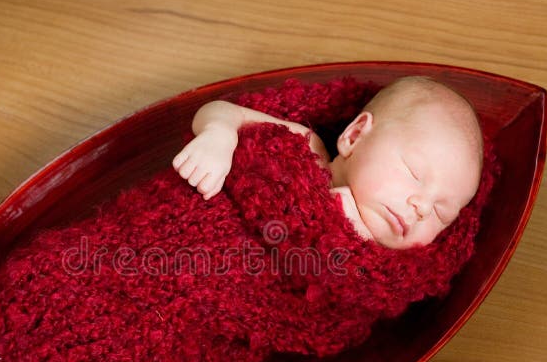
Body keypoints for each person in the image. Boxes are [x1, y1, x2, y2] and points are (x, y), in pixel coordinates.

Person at [172, 76, 483, 249]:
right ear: (355, 135)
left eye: (442, 214)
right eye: (415, 173)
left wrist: (345, 232)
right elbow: (225, 111)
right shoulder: (305, 146)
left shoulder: (382, 268)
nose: (423, 208)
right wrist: (219, 136)